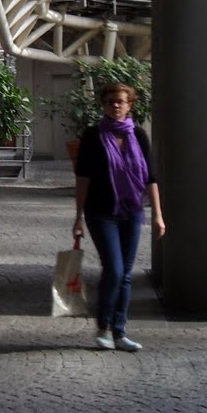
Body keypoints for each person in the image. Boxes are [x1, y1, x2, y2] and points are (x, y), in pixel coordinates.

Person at [71, 82, 164, 352]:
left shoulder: (138, 135)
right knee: (114, 269)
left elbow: (150, 178)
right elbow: (83, 178)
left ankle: (120, 332)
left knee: (125, 274)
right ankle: (103, 328)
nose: (115, 105)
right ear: (103, 105)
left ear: (129, 105)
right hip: (101, 211)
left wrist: (158, 215)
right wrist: (78, 217)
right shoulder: (93, 136)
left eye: (120, 101)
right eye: (110, 101)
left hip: (132, 211)